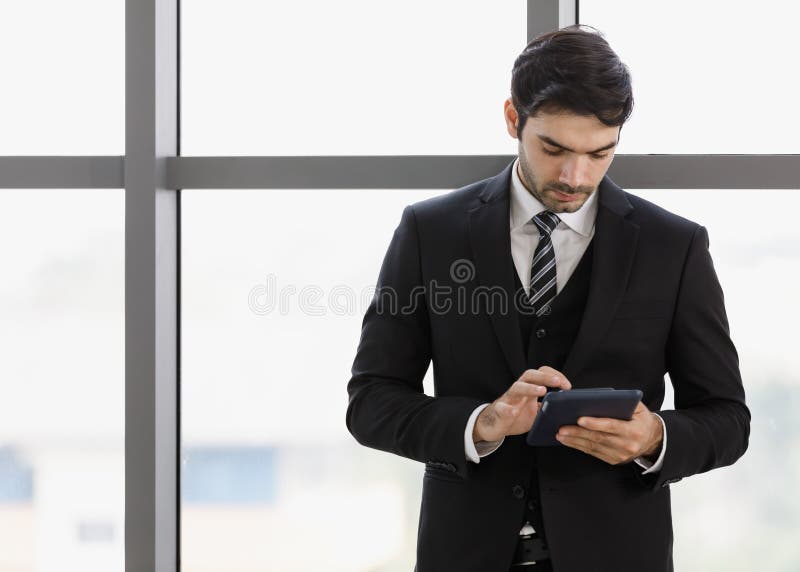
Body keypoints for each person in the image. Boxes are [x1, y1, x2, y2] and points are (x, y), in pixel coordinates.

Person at [345, 25, 750, 572]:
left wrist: (654, 437)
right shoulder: (429, 231)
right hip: (464, 553)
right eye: (553, 148)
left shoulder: (674, 246)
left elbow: (728, 419)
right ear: (514, 119)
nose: (574, 176)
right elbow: (371, 401)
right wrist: (480, 424)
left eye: (599, 153)